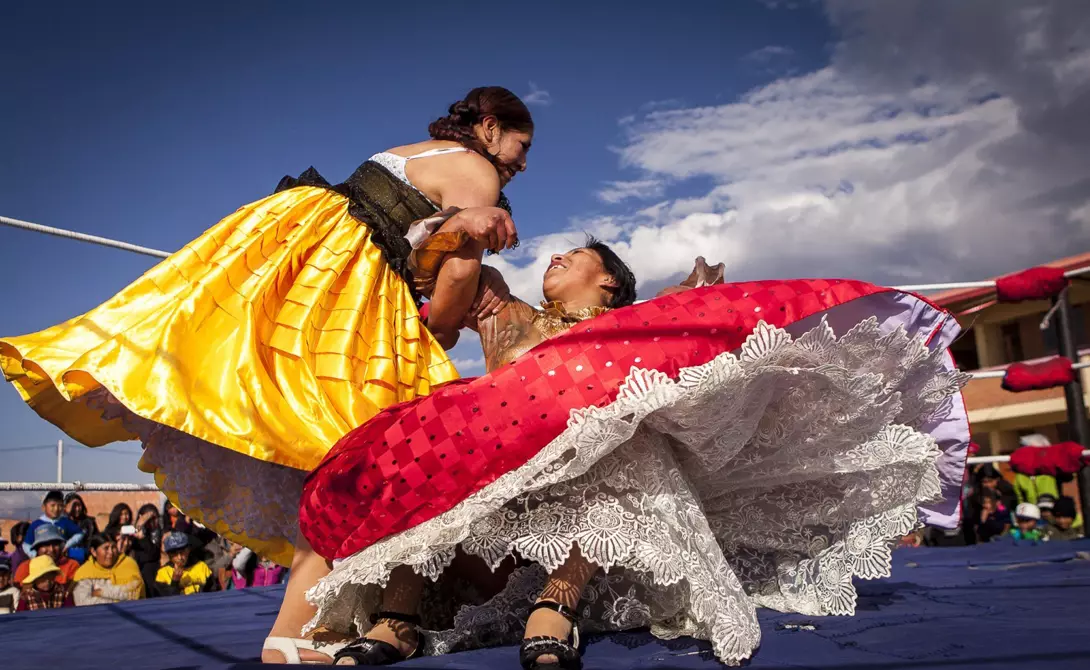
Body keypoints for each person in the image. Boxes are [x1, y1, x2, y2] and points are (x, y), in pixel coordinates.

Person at [0, 86, 530, 664]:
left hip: (295, 253)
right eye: (520, 145)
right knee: (370, 448)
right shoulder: (479, 171)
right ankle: (299, 630)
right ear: (488, 126)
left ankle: (312, 619)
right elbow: (457, 274)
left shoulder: (415, 151)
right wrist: (443, 331)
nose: (520, 163)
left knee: (316, 429)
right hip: (348, 284)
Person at [299, 247, 971, 667]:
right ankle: (399, 617)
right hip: (492, 492)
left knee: (626, 430)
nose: (555, 259)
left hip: (580, 510)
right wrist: (466, 221)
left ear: (610, 284)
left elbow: (708, 337)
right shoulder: (512, 319)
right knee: (430, 434)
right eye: (553, 257)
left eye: (574, 256)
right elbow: (448, 271)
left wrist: (697, 300)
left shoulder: (638, 331)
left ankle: (556, 606)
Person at [72, 533, 145, 605]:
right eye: (106, 548)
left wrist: (100, 592)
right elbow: (83, 602)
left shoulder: (128, 564)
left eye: (113, 547)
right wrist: (117, 600)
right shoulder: (84, 572)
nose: (111, 552)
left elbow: (134, 593)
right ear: (94, 552)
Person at [23, 490, 84, 557]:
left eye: (60, 505)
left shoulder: (65, 521)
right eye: (52, 505)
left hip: (61, 558)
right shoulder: (36, 524)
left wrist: (68, 545)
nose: (56, 509)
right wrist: (34, 555)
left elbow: (79, 533)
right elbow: (26, 544)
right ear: (43, 507)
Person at [13, 525, 80, 586]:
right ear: (37, 548)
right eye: (46, 545)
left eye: (55, 544)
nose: (51, 549)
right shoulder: (25, 568)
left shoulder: (71, 566)